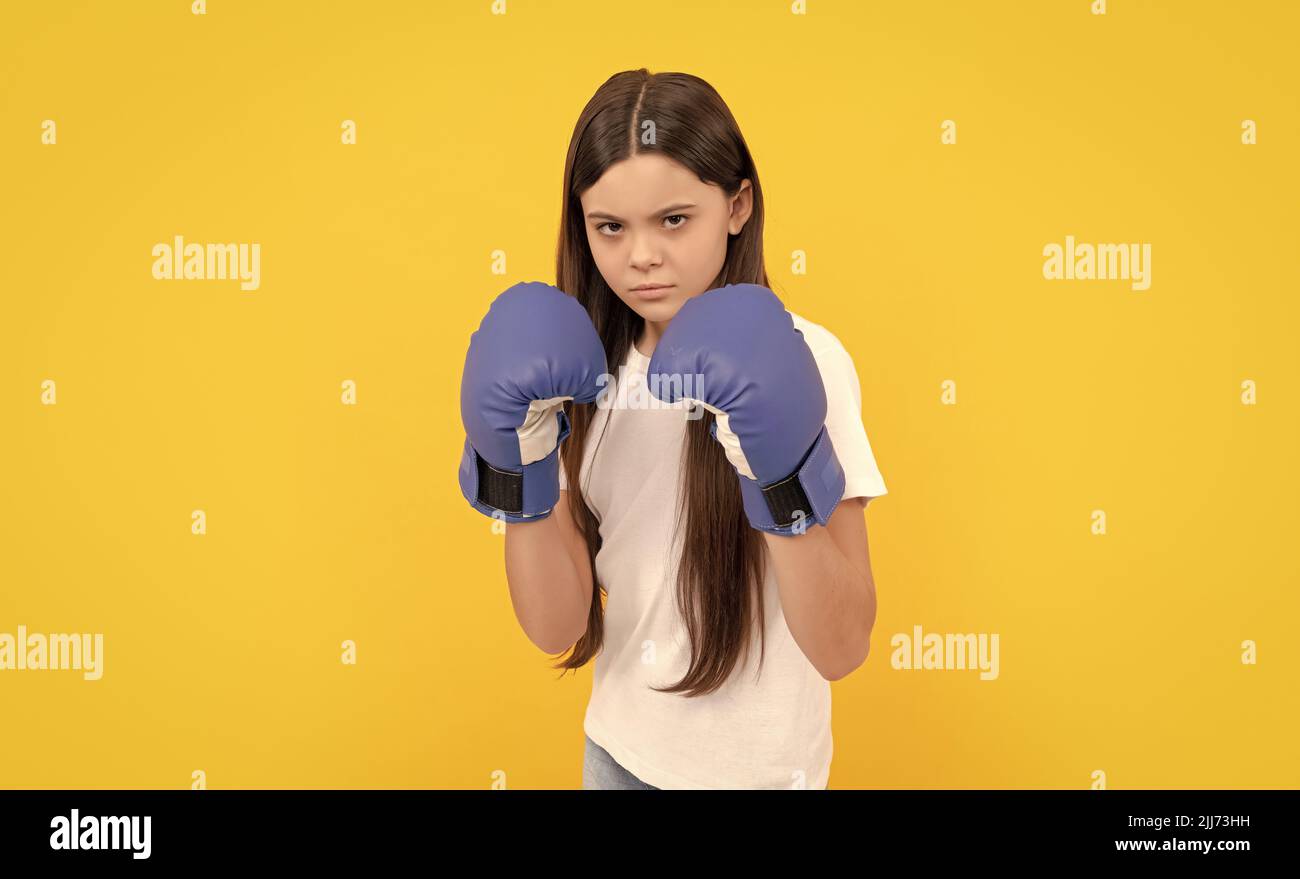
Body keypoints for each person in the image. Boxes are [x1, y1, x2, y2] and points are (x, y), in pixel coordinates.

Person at [458, 69, 887, 790]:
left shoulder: (810, 361)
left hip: (761, 774)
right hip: (617, 757)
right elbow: (555, 627)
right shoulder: (571, 373)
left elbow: (843, 645)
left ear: (738, 204)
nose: (642, 256)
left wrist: (776, 474)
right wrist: (521, 454)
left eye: (675, 219)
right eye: (611, 226)